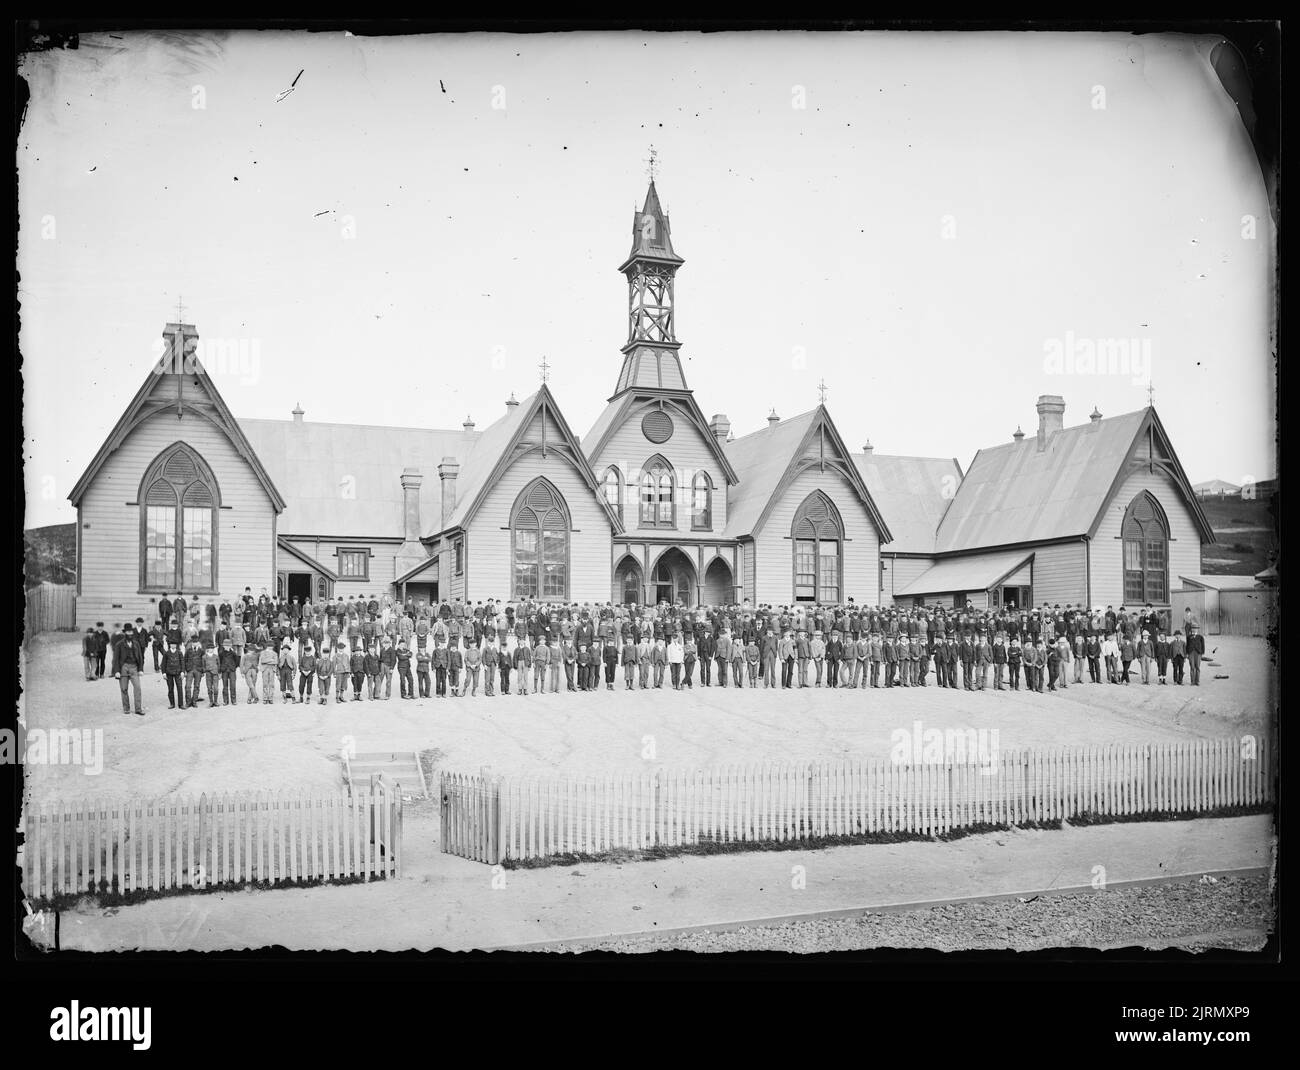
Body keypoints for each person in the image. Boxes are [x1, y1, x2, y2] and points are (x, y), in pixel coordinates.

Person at [112, 623, 144, 716]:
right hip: (123, 668)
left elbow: (140, 657)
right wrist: (117, 671)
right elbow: (116, 659)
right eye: (128, 632)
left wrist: (141, 669)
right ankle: (126, 708)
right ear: (125, 633)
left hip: (134, 667)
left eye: (131, 632)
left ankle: (138, 709)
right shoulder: (119, 644)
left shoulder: (136, 644)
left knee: (137, 688)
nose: (130, 634)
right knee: (124, 689)